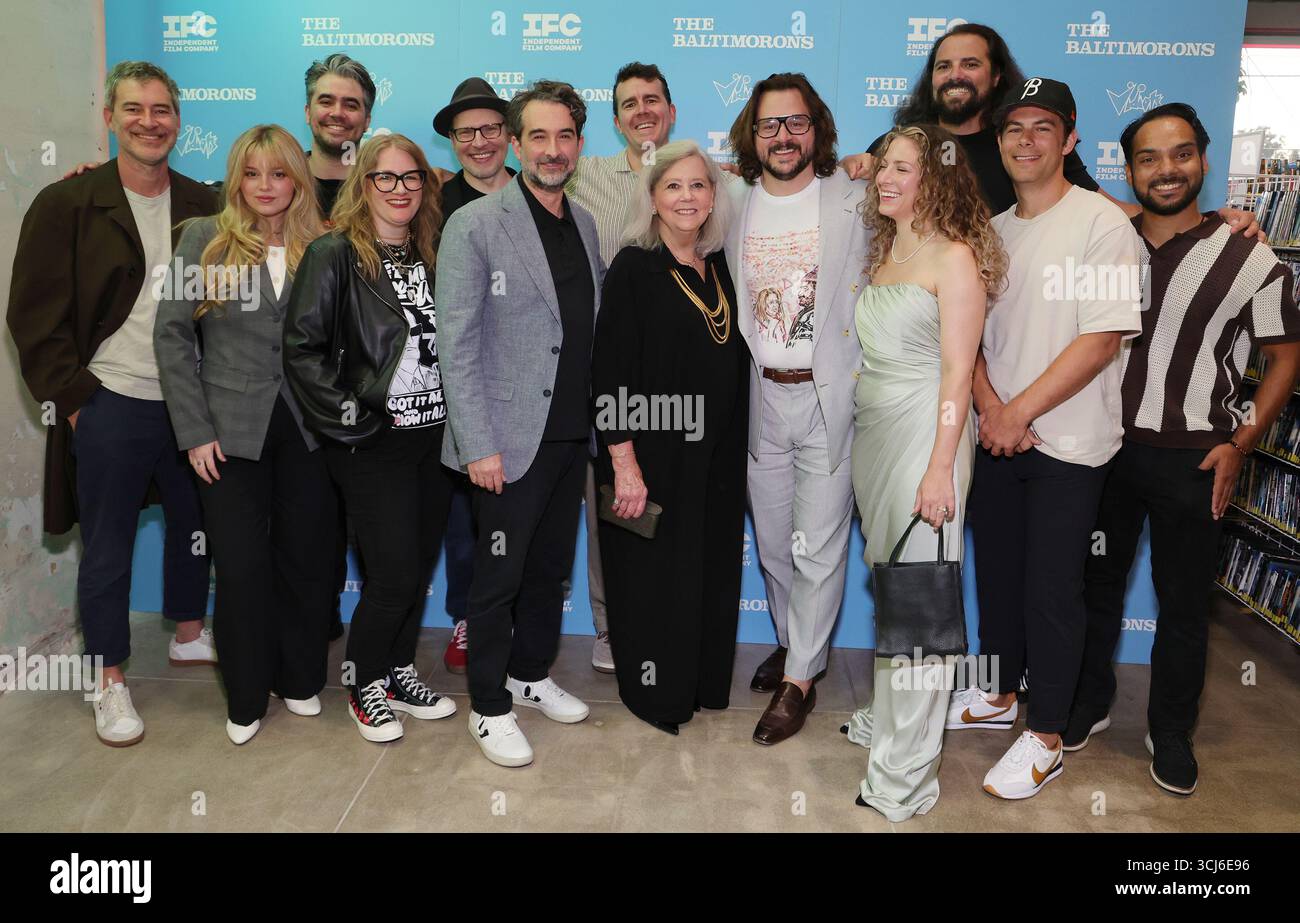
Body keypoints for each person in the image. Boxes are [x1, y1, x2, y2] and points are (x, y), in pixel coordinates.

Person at [1068, 104, 1300, 794]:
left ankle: (1170, 729)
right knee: (1095, 588)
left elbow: (1285, 359)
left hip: (1194, 459)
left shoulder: (1249, 254)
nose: (1166, 169)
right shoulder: (1108, 238)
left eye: (1180, 154)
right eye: (1148, 157)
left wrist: (1241, 440)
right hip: (1106, 450)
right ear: (1130, 167)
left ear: (1201, 158)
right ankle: (1088, 701)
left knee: (1183, 606)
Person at [7, 61, 216, 747]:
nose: (149, 122)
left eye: (162, 110)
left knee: (196, 525)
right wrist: (74, 402)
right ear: (110, 116)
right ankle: (109, 679)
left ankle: (189, 631)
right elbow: (31, 313)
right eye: (134, 109)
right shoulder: (66, 203)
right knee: (108, 547)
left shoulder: (204, 202)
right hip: (110, 402)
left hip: (187, 400)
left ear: (178, 121)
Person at [950, 78, 1143, 800]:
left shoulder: (1100, 224)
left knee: (1052, 592)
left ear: (1068, 140)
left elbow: (1100, 339)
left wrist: (1016, 410)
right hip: (999, 438)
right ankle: (998, 694)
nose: (1025, 140)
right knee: (997, 576)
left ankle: (1048, 734)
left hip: (1069, 445)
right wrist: (993, 409)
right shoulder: (995, 230)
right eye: (1012, 129)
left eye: (1041, 127)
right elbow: (968, 339)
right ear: (998, 142)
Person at [841, 125, 1005, 819]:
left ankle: (905, 775)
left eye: (901, 168)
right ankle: (890, 717)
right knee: (896, 591)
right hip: (875, 440)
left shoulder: (955, 257)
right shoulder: (889, 249)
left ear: (935, 179)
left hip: (924, 440)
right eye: (882, 167)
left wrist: (941, 467)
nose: (884, 177)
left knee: (922, 604)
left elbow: (958, 375)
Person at [437, 80, 603, 767]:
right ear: (514, 142)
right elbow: (457, 340)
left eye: (565, 136)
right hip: (504, 438)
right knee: (497, 578)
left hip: (568, 436)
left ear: (580, 145)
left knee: (547, 571)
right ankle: (489, 705)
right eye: (538, 135)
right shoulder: (474, 223)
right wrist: (477, 444)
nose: (552, 149)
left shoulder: (586, 222)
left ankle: (530, 673)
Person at [153, 125, 336, 744]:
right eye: (252, 174)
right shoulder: (201, 240)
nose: (266, 186)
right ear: (236, 179)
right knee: (238, 566)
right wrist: (193, 430)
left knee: (306, 561)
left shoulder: (326, 242)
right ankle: (247, 694)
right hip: (227, 431)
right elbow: (172, 335)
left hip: (311, 429)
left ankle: (300, 679)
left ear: (297, 180)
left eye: (279, 173)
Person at [284, 134, 457, 743]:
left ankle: (398, 670)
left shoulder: (434, 253)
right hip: (371, 440)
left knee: (415, 570)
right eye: (386, 178)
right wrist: (351, 419)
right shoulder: (335, 254)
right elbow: (301, 350)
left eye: (412, 178)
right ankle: (363, 686)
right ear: (365, 185)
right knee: (391, 574)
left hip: (435, 438)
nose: (401, 188)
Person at [723, 73, 870, 744]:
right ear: (752, 137)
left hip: (827, 396)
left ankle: (800, 680)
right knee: (777, 545)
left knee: (820, 546)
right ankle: (793, 643)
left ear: (819, 128)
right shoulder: (730, 199)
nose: (784, 136)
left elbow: (934, 165)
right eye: (770, 125)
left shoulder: (858, 197)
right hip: (759, 395)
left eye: (797, 122)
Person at [592, 140, 748, 735]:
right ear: (653, 196)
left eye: (698, 186)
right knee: (656, 577)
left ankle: (705, 683)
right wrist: (623, 463)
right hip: (653, 452)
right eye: (674, 186)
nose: (687, 197)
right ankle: (659, 692)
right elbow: (609, 372)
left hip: (716, 457)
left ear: (713, 198)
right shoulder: (634, 266)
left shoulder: (719, 265)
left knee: (707, 570)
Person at [431, 76, 518, 676]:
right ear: (454, 142)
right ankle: (467, 618)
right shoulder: (433, 203)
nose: (481, 142)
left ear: (510, 136)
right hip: (457, 388)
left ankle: (516, 617)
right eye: (468, 133)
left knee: (523, 521)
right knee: (464, 522)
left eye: (491, 129)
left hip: (526, 390)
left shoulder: (541, 192)